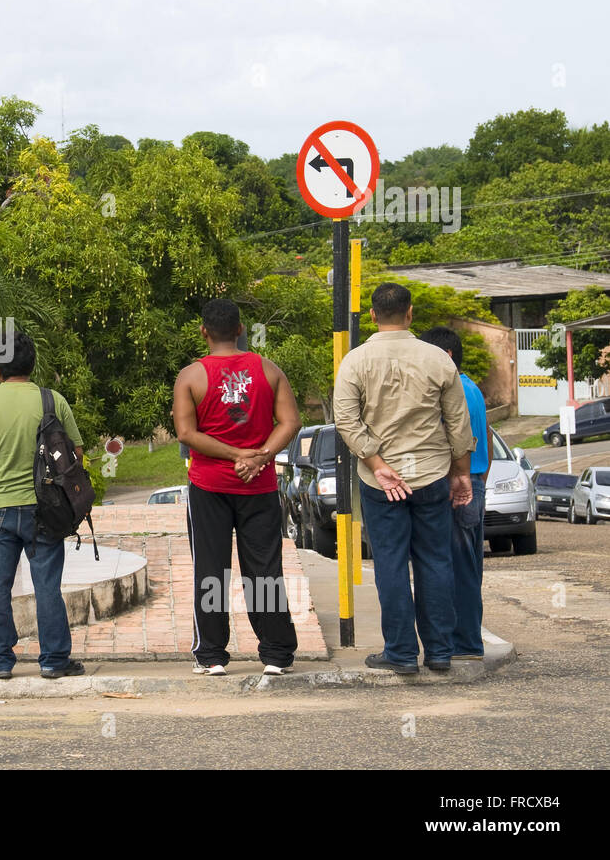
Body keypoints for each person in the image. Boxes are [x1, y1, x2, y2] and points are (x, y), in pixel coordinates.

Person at [333, 283, 476, 675]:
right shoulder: (439, 360)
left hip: (382, 483)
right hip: (431, 474)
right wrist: (461, 474)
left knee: (391, 564)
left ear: (374, 316)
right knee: (435, 561)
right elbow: (459, 425)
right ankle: (440, 651)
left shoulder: (355, 361)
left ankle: (400, 651)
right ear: (410, 313)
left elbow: (346, 420)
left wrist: (377, 463)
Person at [171, 299, 302, 676]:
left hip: (209, 486)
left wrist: (233, 455)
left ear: (204, 332)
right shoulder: (269, 369)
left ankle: (211, 655)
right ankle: (276, 653)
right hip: (258, 486)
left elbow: (186, 433)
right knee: (264, 569)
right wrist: (259, 457)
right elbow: (290, 422)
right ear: (241, 328)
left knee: (211, 570)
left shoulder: (190, 377)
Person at [0, 330, 87, 680]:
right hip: (44, 508)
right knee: (47, 585)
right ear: (32, 365)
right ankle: (53, 661)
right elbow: (74, 453)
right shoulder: (52, 400)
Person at [420, 326, 491, 661]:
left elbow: (453, 439)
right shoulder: (472, 388)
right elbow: (486, 439)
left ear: (446, 357)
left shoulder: (453, 390)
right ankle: (469, 641)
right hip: (474, 481)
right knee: (468, 565)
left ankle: (462, 644)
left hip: (456, 483)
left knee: (453, 566)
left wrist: (455, 479)